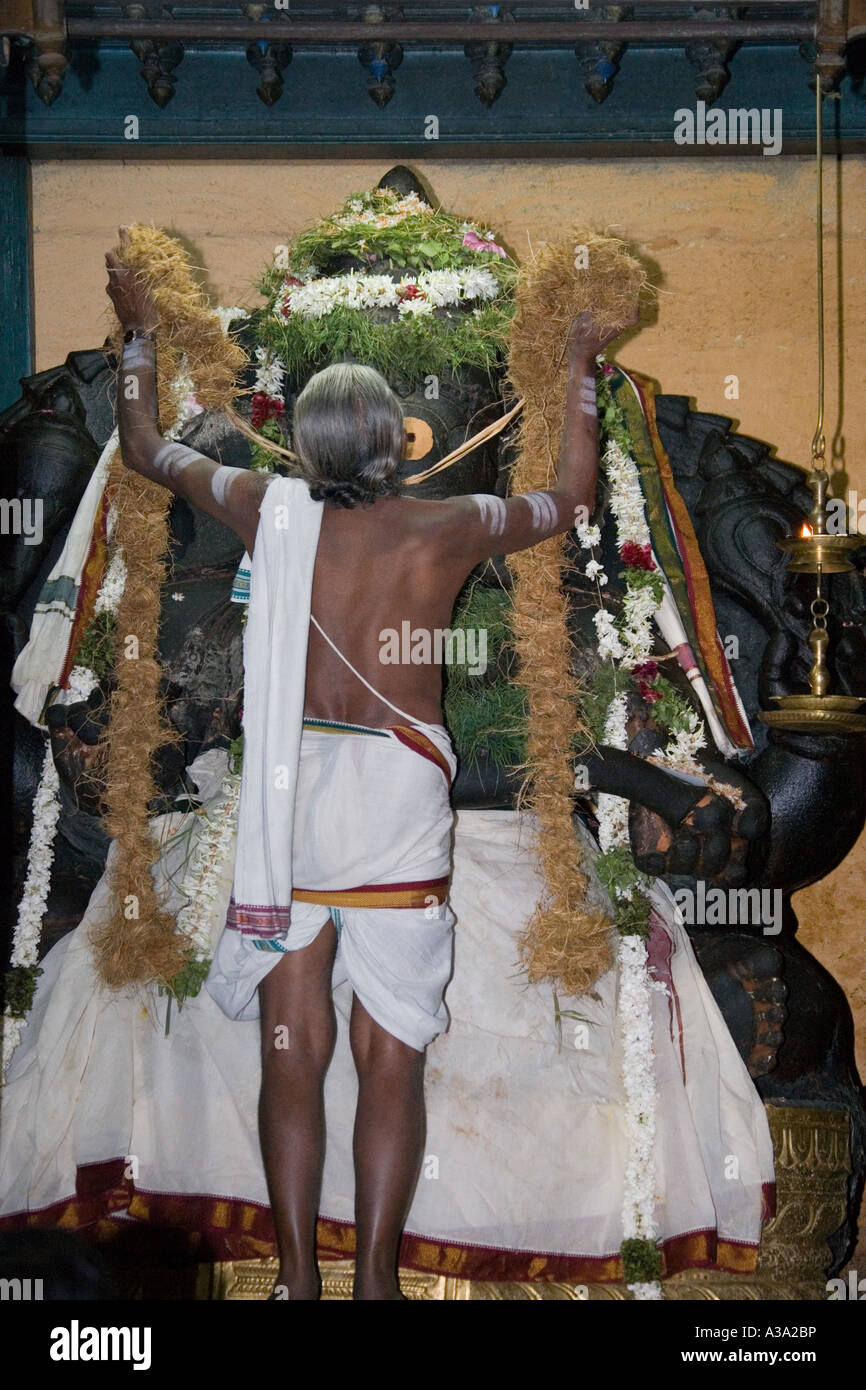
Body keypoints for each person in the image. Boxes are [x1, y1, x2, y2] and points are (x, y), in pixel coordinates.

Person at [104, 231, 627, 1301]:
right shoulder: (443, 526)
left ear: (302, 443)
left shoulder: (263, 507)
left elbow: (149, 450)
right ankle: (377, 1284)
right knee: (391, 1052)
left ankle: (299, 1278)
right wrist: (575, 366)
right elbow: (568, 500)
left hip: (290, 806)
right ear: (395, 441)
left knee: (290, 1050)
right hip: (392, 800)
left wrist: (138, 338)